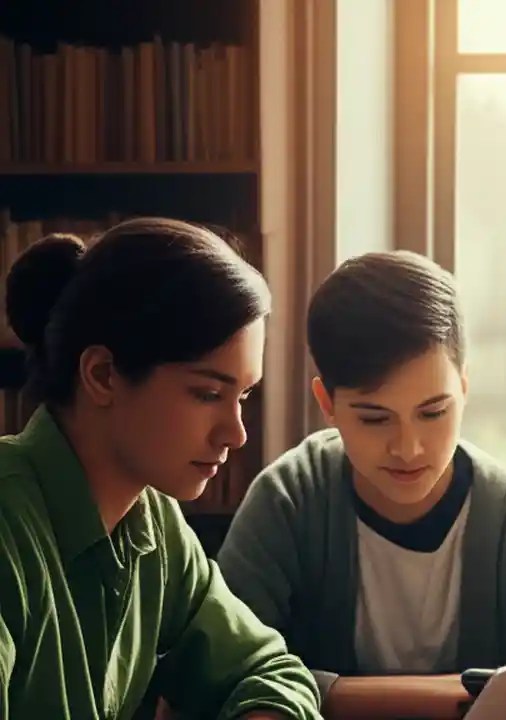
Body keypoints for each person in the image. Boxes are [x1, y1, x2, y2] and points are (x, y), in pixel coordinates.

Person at [216, 250, 506, 718]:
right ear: (326, 403)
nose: (409, 448)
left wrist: (328, 692)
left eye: (434, 412)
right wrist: (445, 696)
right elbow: (222, 671)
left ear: (465, 388)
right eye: (375, 419)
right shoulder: (290, 499)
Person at [0, 219, 322, 720]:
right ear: (103, 375)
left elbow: (269, 672)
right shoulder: (8, 526)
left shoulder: (155, 527)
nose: (235, 434)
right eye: (208, 394)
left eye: (243, 396)